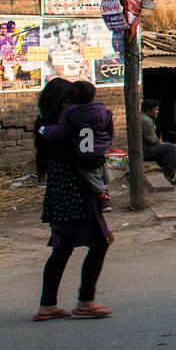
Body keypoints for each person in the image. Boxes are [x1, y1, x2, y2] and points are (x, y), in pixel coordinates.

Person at [33, 78, 113, 321]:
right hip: (77, 192)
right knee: (100, 243)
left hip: (59, 191)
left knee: (62, 247)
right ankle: (86, 300)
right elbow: (86, 157)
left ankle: (48, 304)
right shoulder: (70, 123)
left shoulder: (46, 124)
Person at [39, 79, 114, 213]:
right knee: (98, 169)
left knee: (90, 173)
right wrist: (106, 142)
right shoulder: (101, 109)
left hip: (83, 153)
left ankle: (102, 195)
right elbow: (110, 128)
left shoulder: (69, 113)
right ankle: (104, 187)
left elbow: (61, 131)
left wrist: (45, 131)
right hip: (98, 149)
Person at [140, 98, 176, 181]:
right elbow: (151, 140)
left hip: (142, 150)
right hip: (143, 151)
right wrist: (162, 143)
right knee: (171, 147)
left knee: (166, 147)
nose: (157, 111)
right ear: (149, 111)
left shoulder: (143, 117)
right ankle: (167, 174)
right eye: (156, 109)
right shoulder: (146, 121)